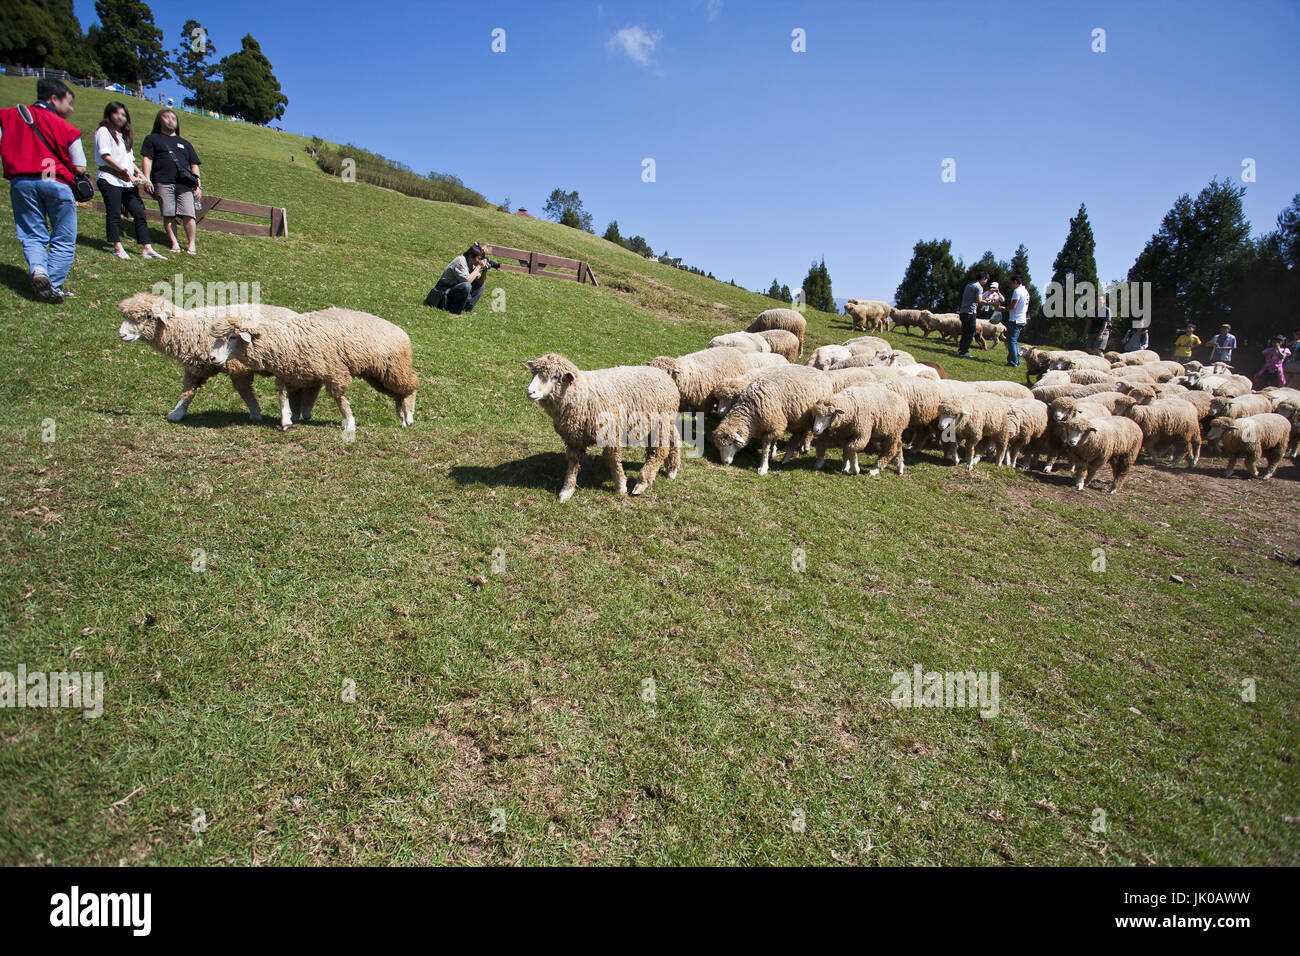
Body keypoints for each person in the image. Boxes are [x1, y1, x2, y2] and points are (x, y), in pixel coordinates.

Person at [0, 78, 86, 302]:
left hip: (22, 182)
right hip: (56, 181)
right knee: (64, 236)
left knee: (32, 234)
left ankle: (39, 269)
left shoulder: (8, 116)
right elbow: (80, 166)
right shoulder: (66, 128)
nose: (71, 109)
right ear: (53, 98)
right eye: (69, 103)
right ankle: (53, 286)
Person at [94, 102, 164, 261]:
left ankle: (147, 247)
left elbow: (129, 159)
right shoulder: (103, 132)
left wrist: (140, 174)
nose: (120, 117)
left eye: (123, 115)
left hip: (126, 182)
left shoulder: (124, 137)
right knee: (114, 212)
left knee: (139, 212)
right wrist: (126, 173)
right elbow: (105, 156)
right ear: (109, 114)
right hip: (109, 178)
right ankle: (117, 246)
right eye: (117, 113)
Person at [141, 109, 202, 255]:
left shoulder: (185, 143)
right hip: (163, 181)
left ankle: (191, 244)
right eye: (166, 117)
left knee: (189, 213)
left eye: (173, 118)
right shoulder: (152, 139)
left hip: (185, 184)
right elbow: (148, 158)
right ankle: (174, 243)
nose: (170, 120)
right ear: (159, 120)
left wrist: (198, 185)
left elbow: (194, 165)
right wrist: (146, 178)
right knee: (168, 213)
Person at [429, 243, 493, 314]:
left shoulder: (472, 264)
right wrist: (479, 267)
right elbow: (467, 281)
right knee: (466, 286)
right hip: (442, 293)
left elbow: (480, 282)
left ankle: (467, 308)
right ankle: (454, 310)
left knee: (481, 286)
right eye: (479, 258)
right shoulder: (460, 261)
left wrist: (484, 270)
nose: (480, 261)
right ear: (470, 256)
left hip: (452, 291)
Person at [957, 271, 998, 358]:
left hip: (963, 311)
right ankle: (964, 352)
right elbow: (978, 301)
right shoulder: (979, 287)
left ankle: (961, 349)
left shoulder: (969, 285)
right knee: (970, 332)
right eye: (986, 280)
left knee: (965, 332)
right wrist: (991, 303)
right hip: (970, 312)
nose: (986, 282)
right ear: (983, 279)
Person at [1003, 275, 1029, 367]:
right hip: (1022, 318)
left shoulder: (1017, 291)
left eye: (1011, 283)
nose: (1011, 285)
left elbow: (1013, 306)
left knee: (1011, 341)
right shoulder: (1025, 291)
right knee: (1014, 341)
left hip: (1015, 319)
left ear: (1015, 282)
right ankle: (1016, 361)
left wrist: (1003, 309)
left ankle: (1013, 362)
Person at [1084, 286, 1112, 353]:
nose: (1098, 302)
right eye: (1097, 300)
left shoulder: (1106, 310)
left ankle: (1104, 362)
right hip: (1093, 332)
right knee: (1088, 349)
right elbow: (1089, 323)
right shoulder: (1092, 311)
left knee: (1097, 350)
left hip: (1103, 331)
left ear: (1104, 301)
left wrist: (1101, 334)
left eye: (1100, 300)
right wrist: (1085, 333)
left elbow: (1106, 322)